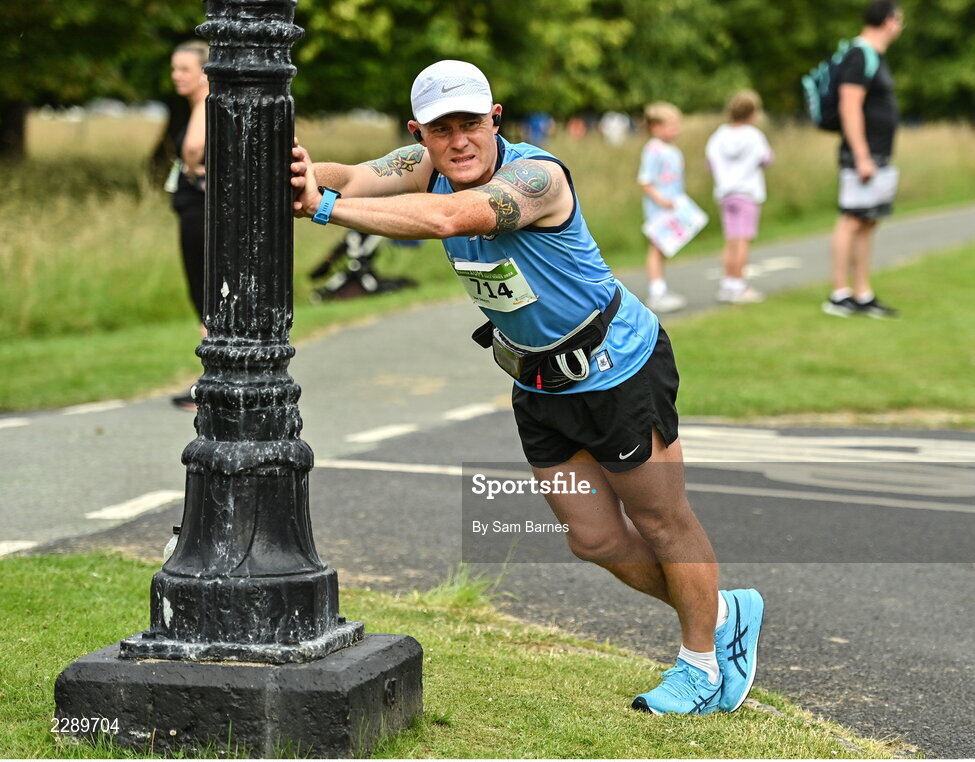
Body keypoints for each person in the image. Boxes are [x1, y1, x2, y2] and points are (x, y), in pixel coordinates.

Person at [290, 59, 763, 716]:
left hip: (618, 367)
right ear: (418, 133)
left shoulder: (536, 177)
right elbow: (350, 175)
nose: (458, 140)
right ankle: (721, 611)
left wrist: (326, 209)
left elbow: (452, 217)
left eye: (470, 123)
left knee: (659, 520)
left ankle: (703, 665)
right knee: (593, 539)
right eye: (440, 128)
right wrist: (298, 172)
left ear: (495, 120)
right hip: (537, 383)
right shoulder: (423, 163)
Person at [823, 1, 904, 318]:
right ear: (888, 21)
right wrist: (861, 155)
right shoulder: (860, 54)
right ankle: (839, 293)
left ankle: (862, 293)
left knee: (868, 221)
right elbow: (849, 106)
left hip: (877, 154)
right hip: (863, 155)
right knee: (851, 219)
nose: (900, 27)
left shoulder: (873, 56)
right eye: (899, 20)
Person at [168, 40, 210, 410]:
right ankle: (210, 378)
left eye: (184, 69)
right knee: (203, 296)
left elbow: (195, 148)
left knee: (204, 295)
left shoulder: (206, 103)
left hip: (199, 213)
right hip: (192, 212)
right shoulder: (202, 105)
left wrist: (192, 166)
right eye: (174, 69)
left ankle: (210, 382)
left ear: (204, 73)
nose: (176, 76)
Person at [705, 90, 774, 304]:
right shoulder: (754, 136)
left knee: (731, 240)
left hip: (726, 194)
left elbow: (710, 163)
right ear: (753, 113)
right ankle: (739, 285)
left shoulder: (719, 135)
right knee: (743, 240)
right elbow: (767, 159)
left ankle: (728, 284)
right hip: (747, 193)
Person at [637, 102, 687, 312]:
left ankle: (661, 287)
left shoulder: (672, 150)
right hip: (659, 209)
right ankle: (657, 292)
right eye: (671, 126)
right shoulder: (653, 150)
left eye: (677, 125)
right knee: (657, 247)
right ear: (656, 127)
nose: (676, 130)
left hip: (672, 208)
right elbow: (645, 181)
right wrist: (661, 200)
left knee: (664, 248)